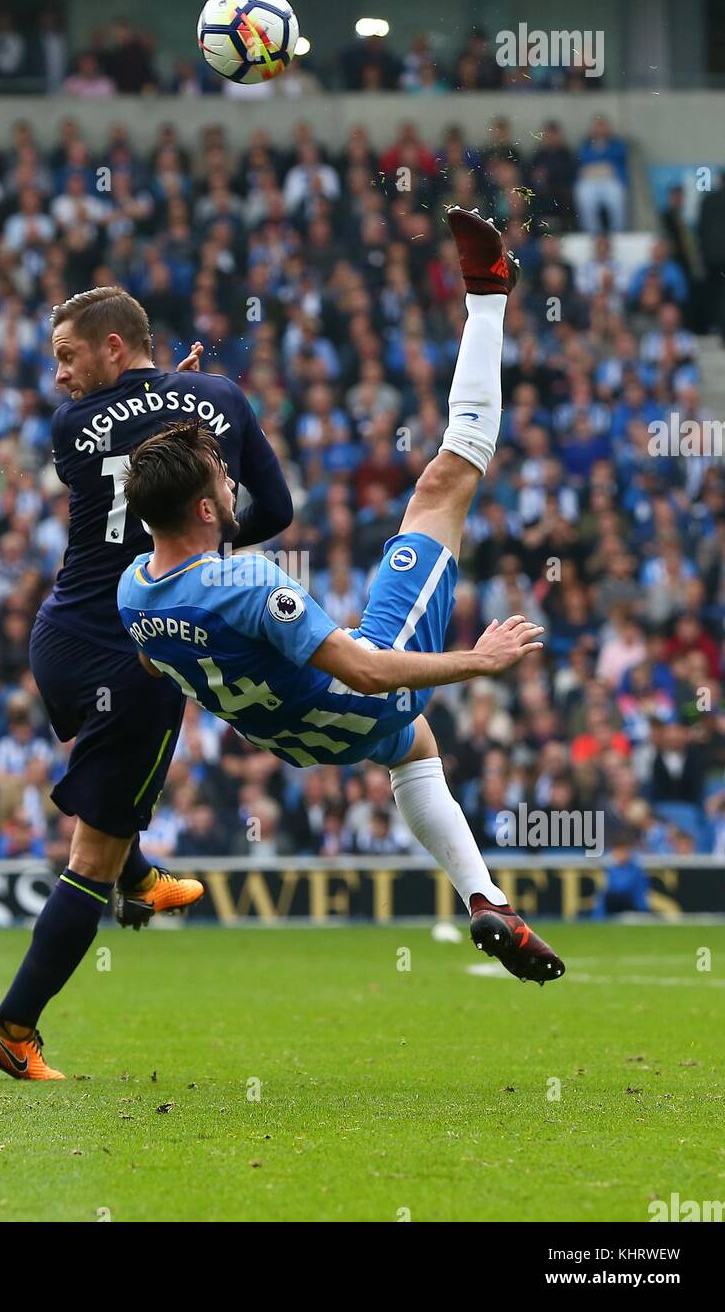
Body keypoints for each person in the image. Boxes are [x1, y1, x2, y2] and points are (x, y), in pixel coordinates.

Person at [119, 210, 566, 990]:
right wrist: (481, 661)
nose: (233, 485)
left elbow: (161, 666)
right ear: (200, 510)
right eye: (223, 481)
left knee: (414, 745)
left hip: (293, 743)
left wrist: (177, 402)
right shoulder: (250, 584)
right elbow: (367, 674)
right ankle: (490, 294)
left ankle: (487, 897)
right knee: (442, 485)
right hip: (350, 701)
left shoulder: (133, 592)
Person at [0, 286, 293, 1080]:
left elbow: (133, 433)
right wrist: (211, 543)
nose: (59, 378)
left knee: (114, 820)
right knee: (93, 856)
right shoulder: (221, 397)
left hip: (64, 642)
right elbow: (276, 508)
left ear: (114, 348)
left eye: (68, 357)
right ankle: (13, 1028)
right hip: (133, 652)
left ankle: (141, 876)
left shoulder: (71, 428)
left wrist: (173, 409)